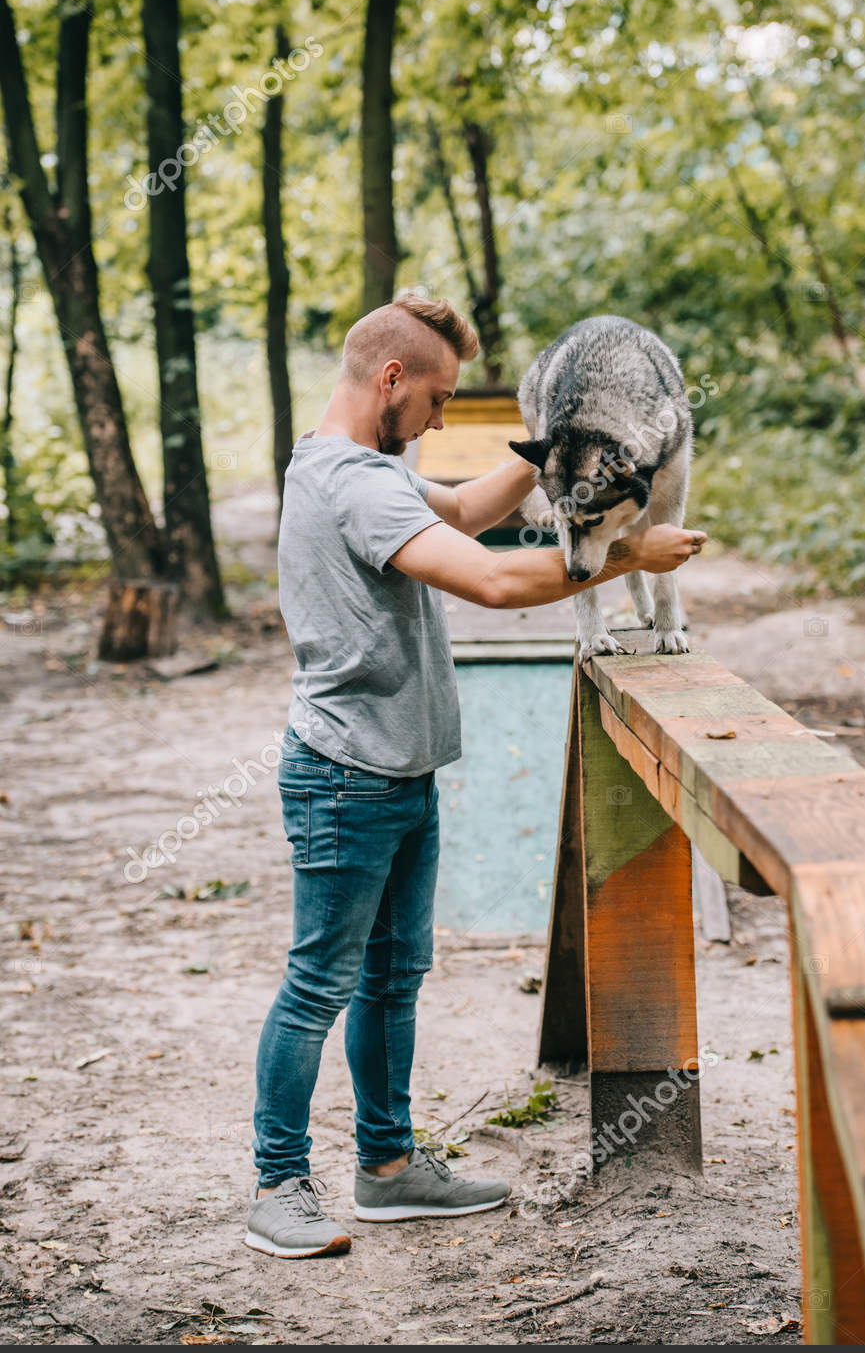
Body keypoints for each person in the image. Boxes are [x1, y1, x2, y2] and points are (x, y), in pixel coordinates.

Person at [246, 290, 707, 1257]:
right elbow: (496, 580)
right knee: (318, 984)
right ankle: (278, 1184)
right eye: (440, 399)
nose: (445, 419)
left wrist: (562, 453)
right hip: (346, 775)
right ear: (390, 379)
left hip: (399, 767)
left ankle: (385, 1167)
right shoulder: (355, 484)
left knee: (392, 977)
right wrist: (626, 553)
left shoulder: (370, 464)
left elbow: (459, 508)